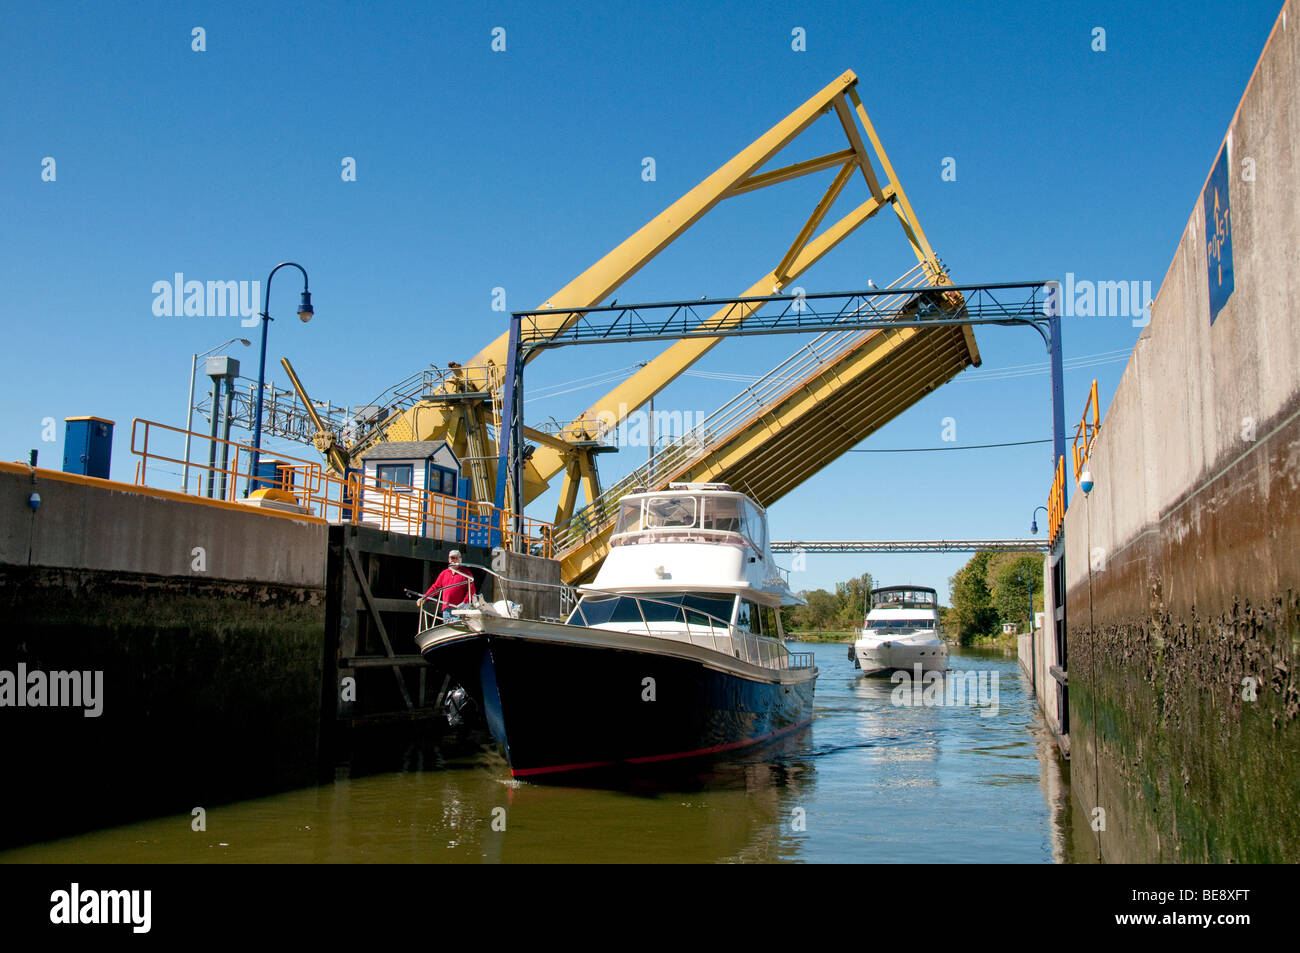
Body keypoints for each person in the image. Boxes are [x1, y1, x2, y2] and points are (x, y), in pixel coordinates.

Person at [420, 550, 476, 622]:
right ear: (449, 560)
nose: (454, 560)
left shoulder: (466, 573)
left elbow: (472, 590)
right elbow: (436, 587)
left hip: (459, 609)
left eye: (456, 558)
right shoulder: (444, 573)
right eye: (452, 558)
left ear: (460, 560)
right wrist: (425, 598)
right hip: (446, 609)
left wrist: (465, 602)